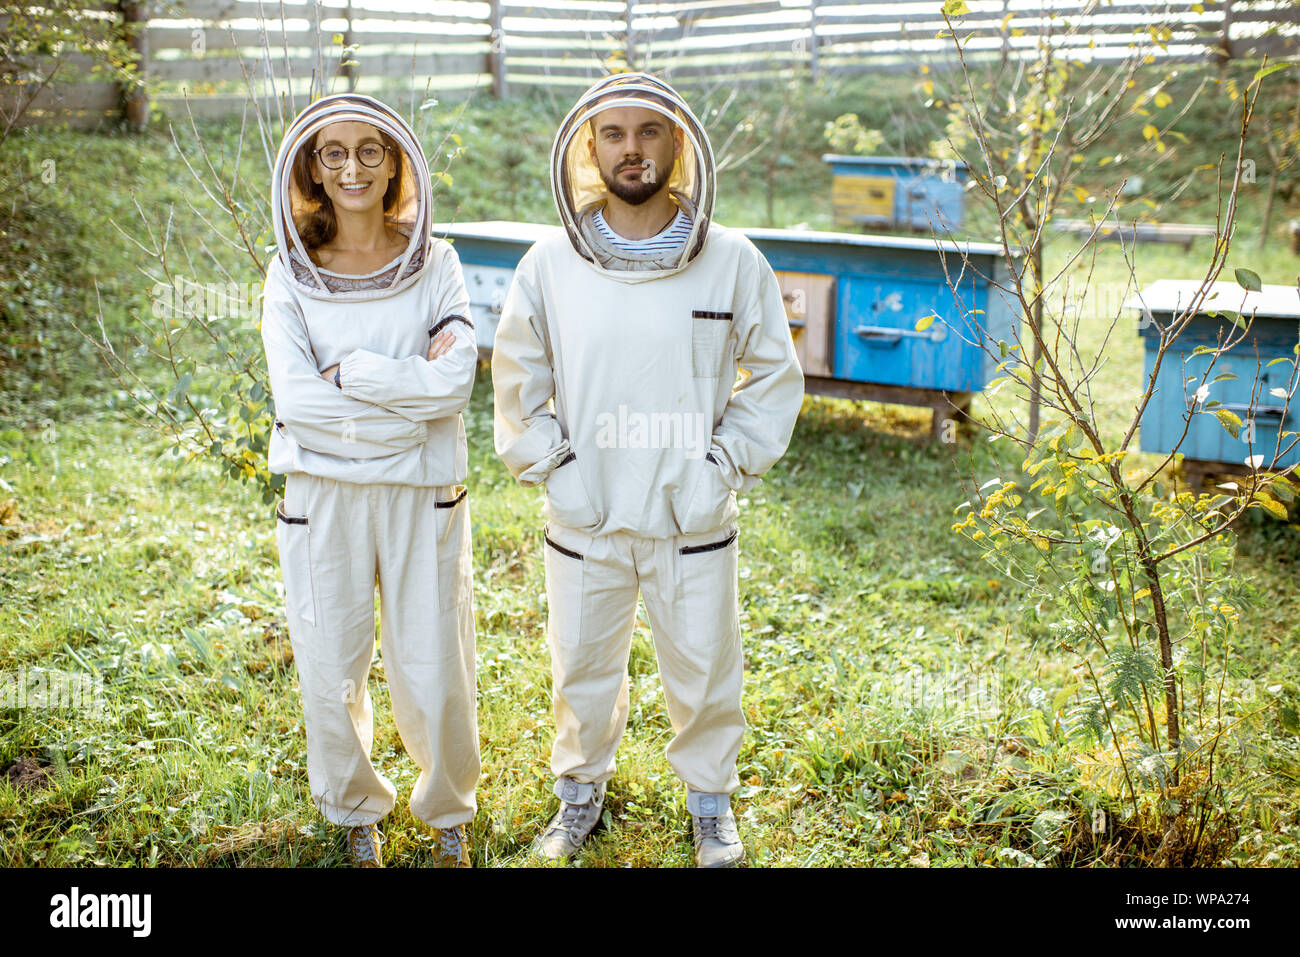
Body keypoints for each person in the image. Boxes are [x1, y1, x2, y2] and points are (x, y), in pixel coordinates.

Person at [491, 73, 804, 867]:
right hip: (585, 511)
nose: (633, 149)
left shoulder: (730, 259)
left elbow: (772, 376)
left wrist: (721, 463)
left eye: (649, 132)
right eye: (615, 134)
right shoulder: (551, 262)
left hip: (689, 515)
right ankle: (577, 797)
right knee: (582, 667)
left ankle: (711, 806)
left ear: (678, 144)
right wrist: (555, 467)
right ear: (589, 149)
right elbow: (518, 379)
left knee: (705, 667)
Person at [260, 93, 480, 868]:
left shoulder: (438, 262)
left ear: (396, 162)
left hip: (425, 496)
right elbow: (296, 402)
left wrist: (354, 372)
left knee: (436, 659)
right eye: (333, 153)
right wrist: (404, 407)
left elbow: (453, 384)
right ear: (312, 170)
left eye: (369, 151)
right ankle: (356, 809)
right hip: (324, 503)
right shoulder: (288, 274)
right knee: (329, 659)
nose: (352, 167)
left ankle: (447, 806)